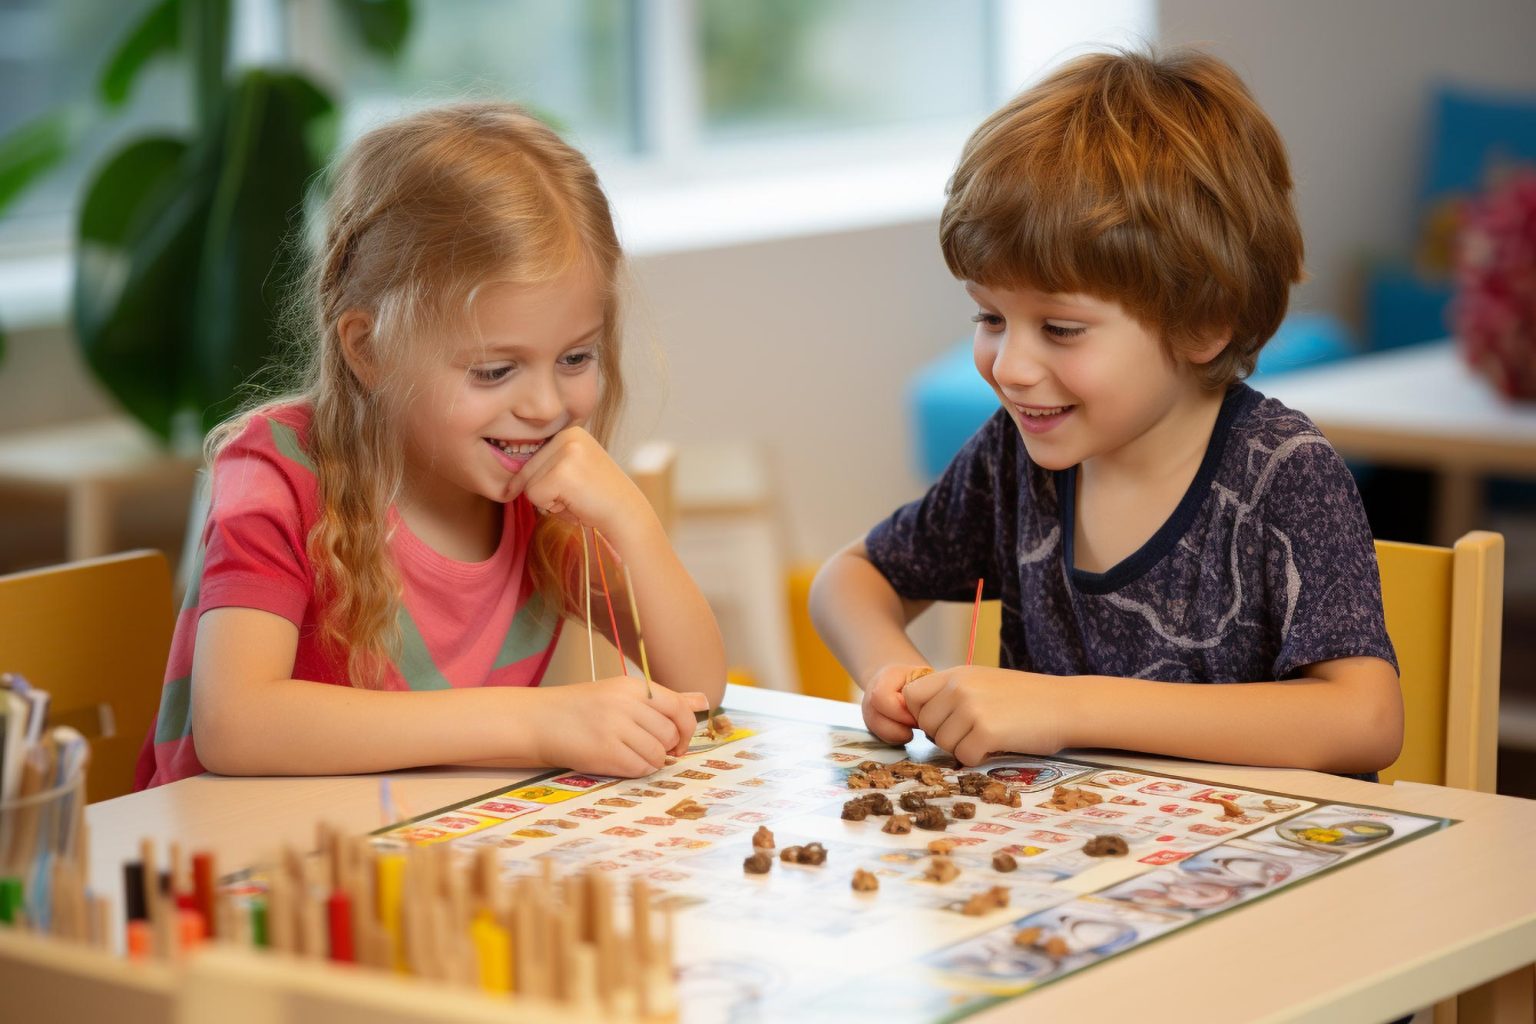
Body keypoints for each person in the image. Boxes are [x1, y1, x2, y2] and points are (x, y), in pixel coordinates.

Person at [809, 48, 1402, 777]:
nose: (1011, 366)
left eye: (1060, 329)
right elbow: (850, 578)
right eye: (990, 317)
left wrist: (1068, 707)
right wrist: (894, 673)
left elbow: (1366, 720)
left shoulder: (1284, 473)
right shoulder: (1013, 458)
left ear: (1202, 323)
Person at [135, 103, 725, 789]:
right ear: (369, 349)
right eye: (495, 370)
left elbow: (699, 689)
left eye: (575, 357)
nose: (544, 406)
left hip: (418, 840)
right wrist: (534, 724)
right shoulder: (278, 473)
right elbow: (236, 724)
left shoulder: (538, 487)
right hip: (234, 849)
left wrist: (634, 521)